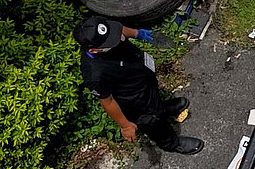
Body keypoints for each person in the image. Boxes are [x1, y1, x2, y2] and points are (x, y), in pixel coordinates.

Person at [77, 16, 203, 155]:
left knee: (155, 99)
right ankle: (171, 143)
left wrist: (140, 33)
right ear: (95, 50)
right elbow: (108, 102)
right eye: (112, 40)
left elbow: (120, 28)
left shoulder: (106, 32)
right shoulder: (95, 74)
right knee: (152, 121)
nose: (119, 38)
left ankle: (163, 109)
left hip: (143, 77)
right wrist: (125, 126)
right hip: (135, 100)